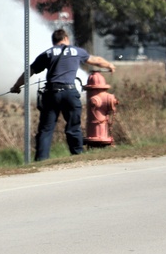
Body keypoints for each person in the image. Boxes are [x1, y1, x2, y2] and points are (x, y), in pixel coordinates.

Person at [10, 28, 115, 161]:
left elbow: (29, 71)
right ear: (66, 38)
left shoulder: (47, 53)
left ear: (54, 41)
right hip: (70, 93)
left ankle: (41, 159)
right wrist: (109, 65)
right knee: (73, 126)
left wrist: (16, 86)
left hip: (51, 94)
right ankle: (77, 156)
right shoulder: (77, 51)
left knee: (46, 129)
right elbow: (96, 60)